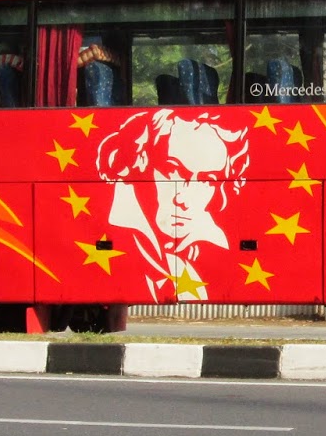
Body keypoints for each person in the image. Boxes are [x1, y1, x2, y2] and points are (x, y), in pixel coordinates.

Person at [94, 109, 251, 301]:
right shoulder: (119, 235)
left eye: (206, 179)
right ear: (140, 160)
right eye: (173, 170)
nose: (183, 199)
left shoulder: (206, 243)